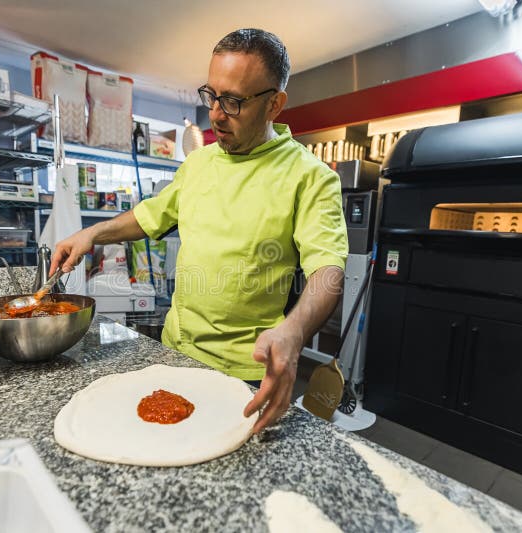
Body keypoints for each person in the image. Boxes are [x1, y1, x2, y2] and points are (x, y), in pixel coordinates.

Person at [51, 28, 348, 433]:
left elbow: (328, 271)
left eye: (234, 101)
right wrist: (91, 234)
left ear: (275, 105)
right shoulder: (199, 163)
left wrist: (293, 332)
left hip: (244, 371)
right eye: (211, 95)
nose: (216, 113)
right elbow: (151, 214)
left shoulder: (309, 176)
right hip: (173, 352)